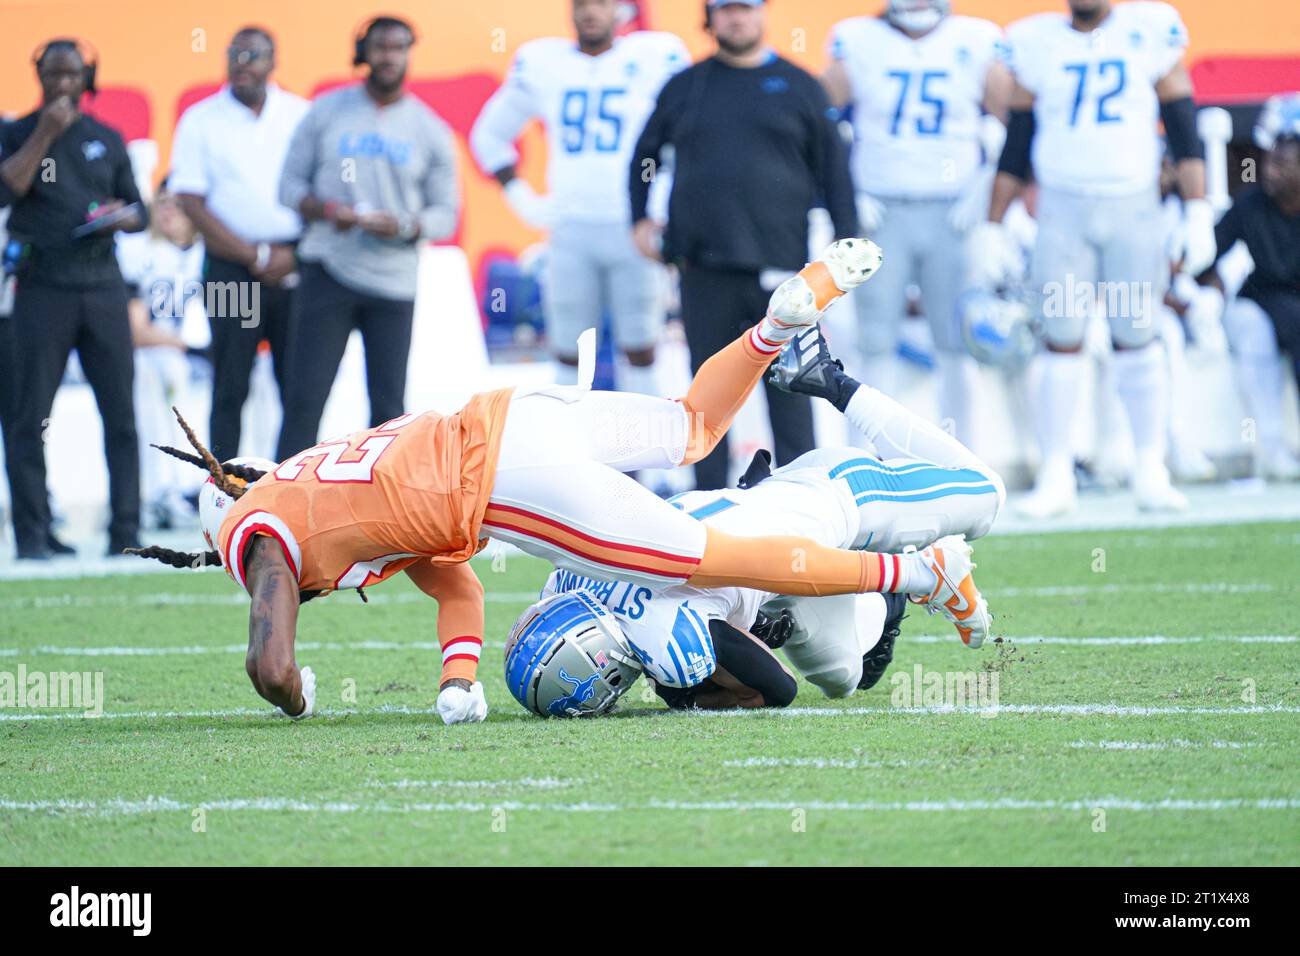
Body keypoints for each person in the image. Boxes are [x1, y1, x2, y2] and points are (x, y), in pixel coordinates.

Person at [129, 239, 988, 726]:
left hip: (506, 481)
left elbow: (266, 660)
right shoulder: (323, 493)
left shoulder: (259, 533)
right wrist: (457, 683)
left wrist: (295, 695)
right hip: (517, 412)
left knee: (717, 559)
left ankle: (919, 574)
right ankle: (776, 322)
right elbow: (453, 581)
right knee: (692, 427)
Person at [516, 326, 1004, 715]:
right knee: (846, 677)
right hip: (777, 566)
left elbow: (775, 689)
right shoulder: (564, 580)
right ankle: (893, 594)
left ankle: (834, 384)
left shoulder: (663, 636)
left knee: (986, 495)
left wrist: (680, 693)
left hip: (836, 497)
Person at [974, 0, 1213, 516]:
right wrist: (994, 223)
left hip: (1131, 204)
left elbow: (1184, 128)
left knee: (1136, 335)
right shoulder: (1036, 42)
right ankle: (1057, 471)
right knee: (1062, 339)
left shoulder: (1149, 30)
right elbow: (1017, 143)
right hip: (1064, 210)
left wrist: (1198, 207)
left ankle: (1150, 466)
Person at [629, 0, 858, 489]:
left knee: (794, 383)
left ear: (763, 14)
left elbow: (835, 167)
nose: (736, 18)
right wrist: (640, 219)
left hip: (784, 272)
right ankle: (707, 505)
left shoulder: (800, 85)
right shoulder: (686, 86)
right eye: (725, 9)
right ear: (709, 18)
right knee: (708, 392)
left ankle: (803, 498)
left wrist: (846, 237)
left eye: (746, 8)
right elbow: (643, 154)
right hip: (703, 266)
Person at [470, 0, 687, 395]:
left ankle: (647, 452)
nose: (590, 12)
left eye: (601, 4)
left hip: (632, 226)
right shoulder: (543, 62)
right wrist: (520, 195)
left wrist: (664, 200)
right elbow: (488, 134)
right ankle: (566, 445)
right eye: (582, 4)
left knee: (641, 346)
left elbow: (688, 134)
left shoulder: (655, 56)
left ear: (620, 11)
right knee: (567, 349)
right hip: (571, 229)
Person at [822, 0, 1010, 445]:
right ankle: (867, 457)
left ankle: (964, 457)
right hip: (882, 210)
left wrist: (986, 182)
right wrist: (850, 189)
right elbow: (817, 119)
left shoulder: (977, 39)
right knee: (874, 341)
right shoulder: (859, 39)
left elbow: (1015, 119)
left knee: (957, 342)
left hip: (953, 211)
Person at [275, 16, 460, 461]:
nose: (389, 56)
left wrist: (405, 225)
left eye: (398, 47)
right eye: (380, 46)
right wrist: (327, 210)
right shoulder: (327, 110)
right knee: (304, 399)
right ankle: (278, 508)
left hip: (393, 278)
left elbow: (446, 215)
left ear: (410, 53)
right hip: (328, 267)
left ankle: (384, 513)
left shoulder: (429, 128)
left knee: (389, 410)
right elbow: (287, 186)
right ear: (364, 52)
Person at [0, 38, 148, 559]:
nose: (63, 84)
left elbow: (141, 210)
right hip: (42, 287)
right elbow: (6, 190)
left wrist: (124, 214)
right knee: (28, 416)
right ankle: (34, 536)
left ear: (88, 78)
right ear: (38, 75)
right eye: (53, 75)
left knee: (122, 416)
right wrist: (46, 130)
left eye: (72, 75)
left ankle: (126, 533)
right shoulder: (16, 131)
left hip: (103, 285)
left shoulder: (107, 137)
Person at [170, 26, 308, 462]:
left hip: (295, 264)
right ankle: (222, 488)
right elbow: (190, 199)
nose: (243, 64)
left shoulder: (301, 114)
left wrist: (292, 254)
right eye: (236, 54)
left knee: (300, 387)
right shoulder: (200, 118)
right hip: (232, 269)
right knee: (230, 383)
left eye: (254, 55)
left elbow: (322, 190)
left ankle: (298, 490)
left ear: (274, 61)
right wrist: (254, 255)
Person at [1207, 93, 1300, 480]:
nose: (1270, 171)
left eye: (1282, 162)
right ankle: (1272, 449)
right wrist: (1200, 282)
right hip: (1259, 299)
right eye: (1269, 160)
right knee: (1255, 335)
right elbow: (1206, 254)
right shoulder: (1251, 204)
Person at [116, 183, 206, 528]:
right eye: (162, 204)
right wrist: (187, 347)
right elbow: (135, 330)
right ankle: (163, 490)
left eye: (177, 204)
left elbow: (236, 317)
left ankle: (201, 487)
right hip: (161, 353)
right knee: (157, 373)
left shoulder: (208, 254)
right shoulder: (141, 252)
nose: (168, 211)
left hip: (203, 359)